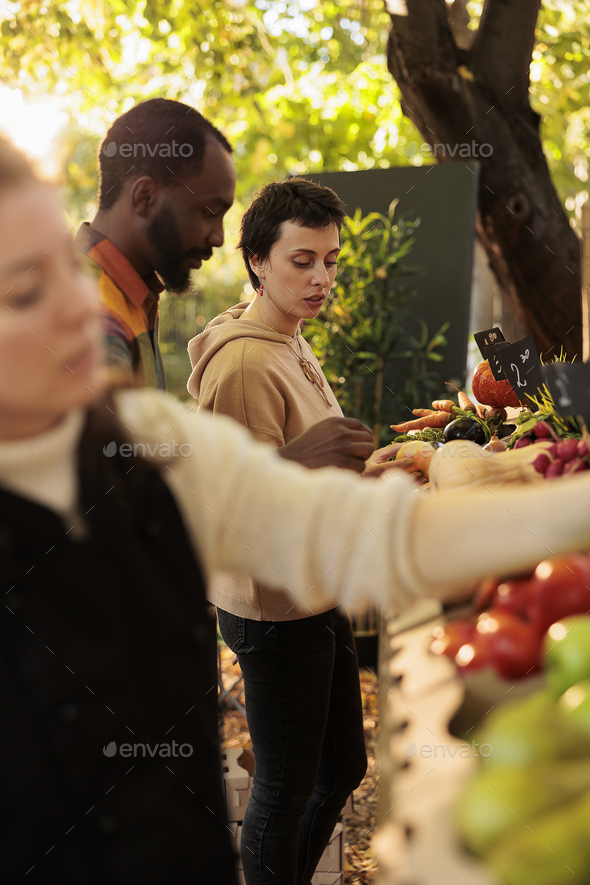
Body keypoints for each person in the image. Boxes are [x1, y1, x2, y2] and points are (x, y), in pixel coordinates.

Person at [4, 134, 590, 884]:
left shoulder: (143, 437)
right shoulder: (237, 363)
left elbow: (359, 532)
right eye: (24, 292)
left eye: (63, 265)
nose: (75, 310)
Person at [186, 178, 398, 885]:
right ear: (257, 260)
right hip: (272, 606)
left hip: (314, 587)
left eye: (331, 261)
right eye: (302, 260)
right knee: (281, 788)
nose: (321, 278)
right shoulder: (246, 361)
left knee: (342, 766)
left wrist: (373, 470)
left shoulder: (283, 338)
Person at [76, 97, 386, 475]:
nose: (220, 238)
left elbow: (148, 468)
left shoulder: (134, 297)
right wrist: (292, 462)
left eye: (331, 261)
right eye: (208, 212)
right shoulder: (87, 312)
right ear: (144, 197)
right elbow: (110, 491)